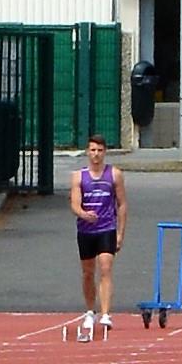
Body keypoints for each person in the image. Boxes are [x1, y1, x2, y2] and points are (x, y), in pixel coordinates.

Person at [69, 133, 127, 335]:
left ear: (105, 153)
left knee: (105, 268)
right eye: (93, 150)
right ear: (87, 152)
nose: (96, 155)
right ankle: (89, 311)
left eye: (100, 151)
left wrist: (120, 233)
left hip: (106, 229)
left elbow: (122, 204)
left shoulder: (114, 175)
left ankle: (105, 313)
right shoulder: (78, 176)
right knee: (87, 272)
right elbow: (74, 204)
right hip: (86, 231)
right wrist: (84, 214)